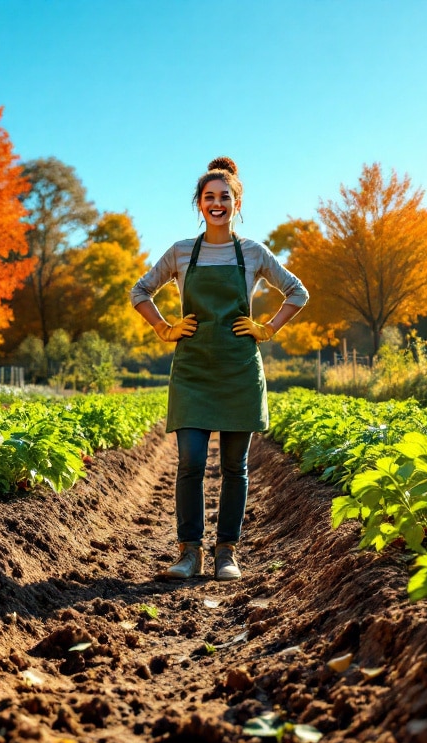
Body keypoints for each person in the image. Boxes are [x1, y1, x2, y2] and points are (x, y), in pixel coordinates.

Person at [130, 156, 309, 581]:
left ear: (236, 201)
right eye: (209, 197)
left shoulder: (252, 252)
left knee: (235, 466)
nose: (216, 204)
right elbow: (140, 290)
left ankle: (226, 552)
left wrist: (268, 328)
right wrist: (162, 328)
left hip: (238, 371)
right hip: (192, 370)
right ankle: (188, 552)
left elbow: (297, 292)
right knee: (191, 460)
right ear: (199, 204)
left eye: (224, 197)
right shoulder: (179, 253)